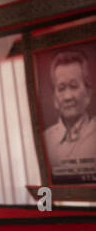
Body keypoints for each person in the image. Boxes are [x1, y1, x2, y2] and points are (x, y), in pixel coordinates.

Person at [43, 49, 96, 180]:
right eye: (61, 88)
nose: (68, 97)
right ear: (55, 99)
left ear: (88, 93)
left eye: (74, 86)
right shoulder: (45, 140)